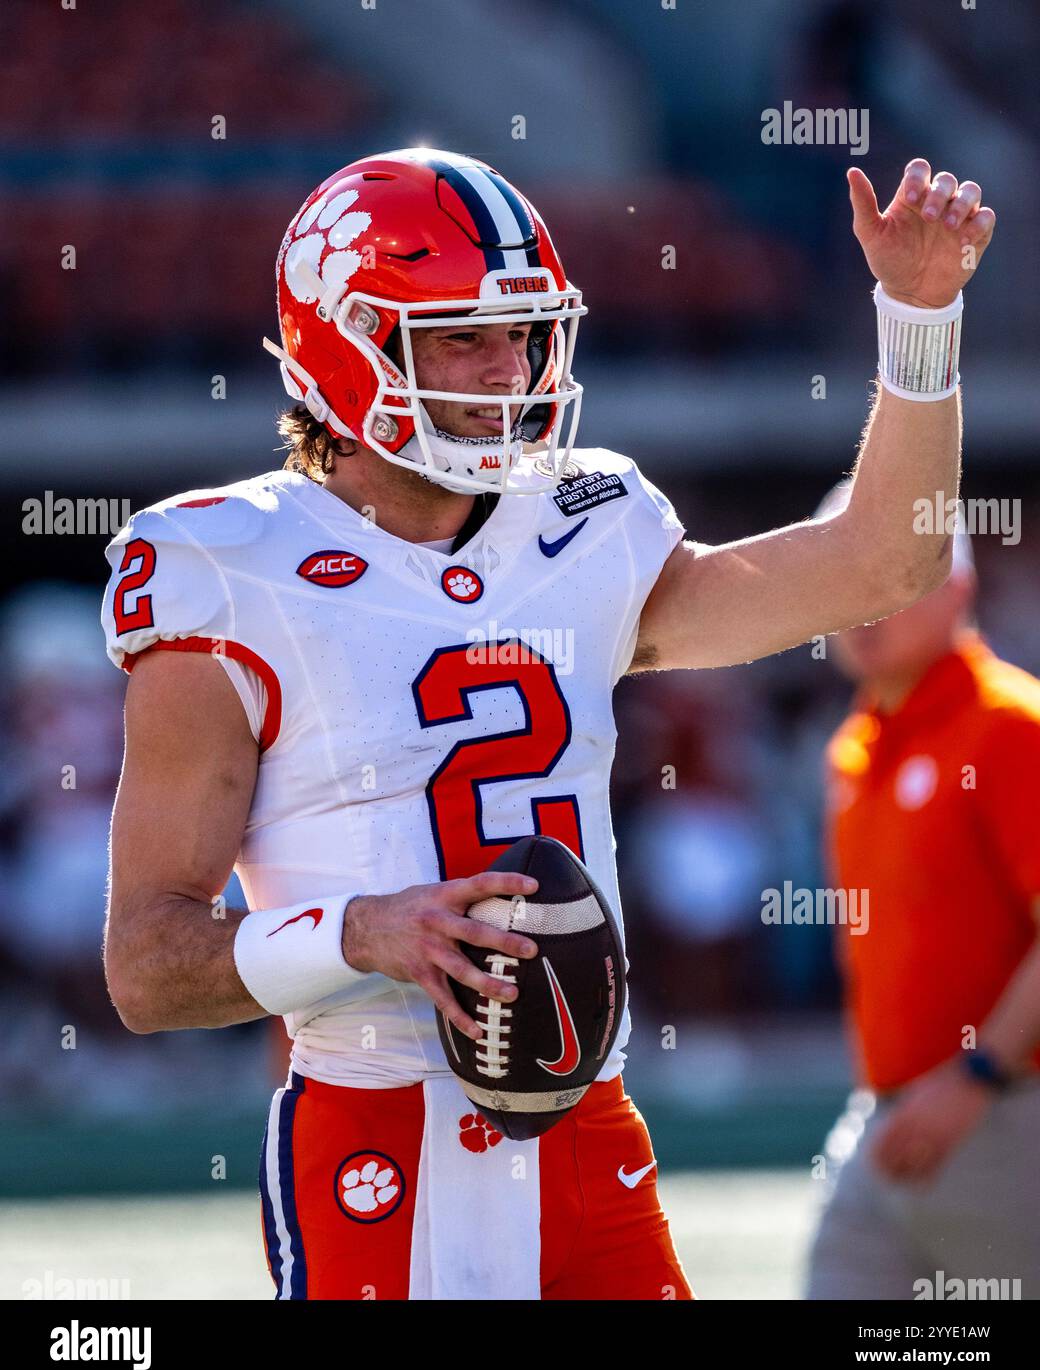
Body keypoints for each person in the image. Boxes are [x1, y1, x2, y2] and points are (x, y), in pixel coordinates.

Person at [101, 147, 994, 1299]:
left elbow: (881, 564)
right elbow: (147, 966)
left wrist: (917, 317)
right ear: (348, 342)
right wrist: (360, 932)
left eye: (524, 333)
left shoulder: (582, 525)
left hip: (586, 1125)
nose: (509, 368)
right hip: (380, 1137)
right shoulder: (229, 568)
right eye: (463, 337)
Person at [806, 505, 1040, 1299]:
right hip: (886, 1118)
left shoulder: (1011, 726)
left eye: (894, 578)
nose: (866, 606)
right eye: (845, 581)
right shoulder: (854, 746)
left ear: (960, 588)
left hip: (1007, 1115)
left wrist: (979, 1075)